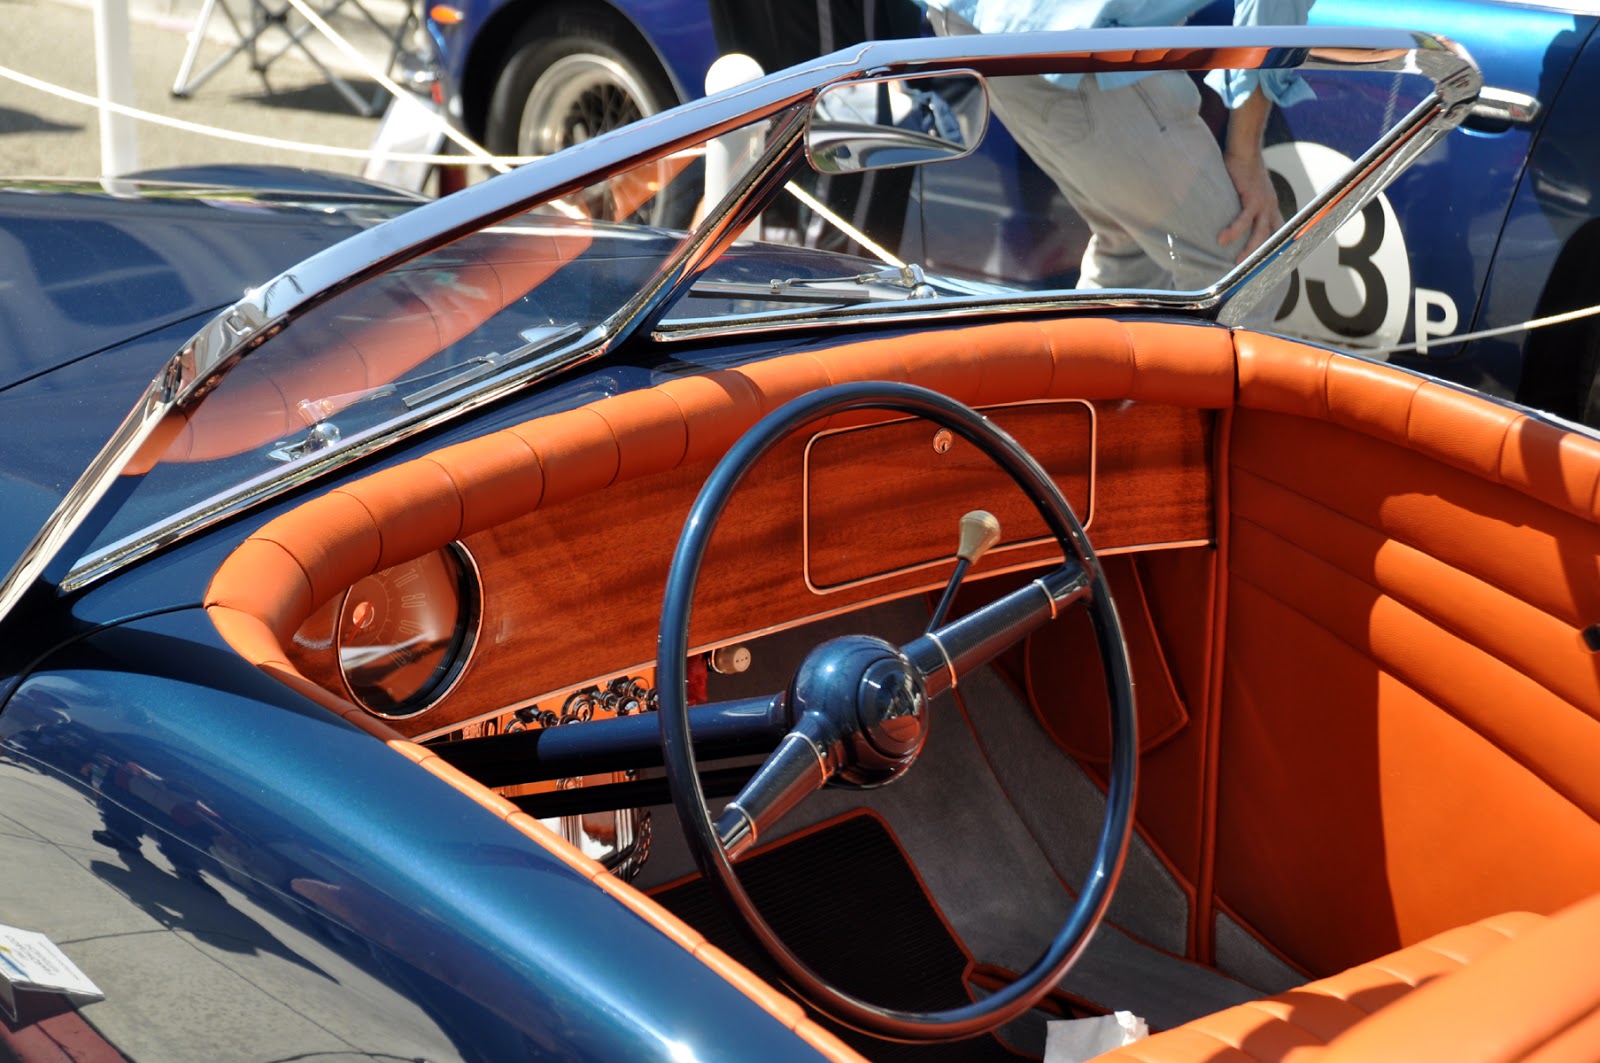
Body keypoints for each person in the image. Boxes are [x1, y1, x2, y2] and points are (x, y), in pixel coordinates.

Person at [923, 0, 1314, 292]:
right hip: (1069, 36)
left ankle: (1085, 380)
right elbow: (1273, 14)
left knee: (1133, 252)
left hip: (974, 19)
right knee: (1246, 274)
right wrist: (1244, 154)